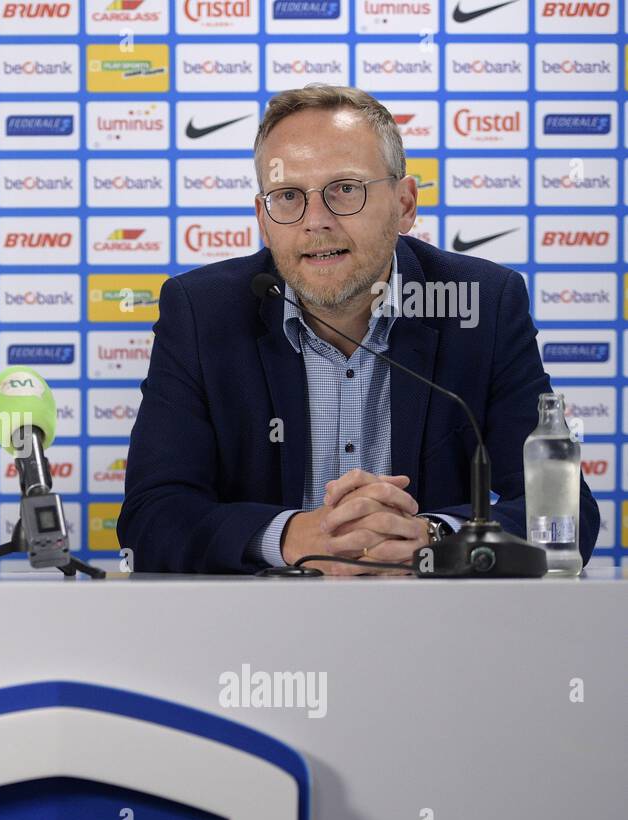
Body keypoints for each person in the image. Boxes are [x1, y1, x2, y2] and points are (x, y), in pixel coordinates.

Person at [118, 84, 598, 574]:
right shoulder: (201, 312)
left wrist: (434, 539)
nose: (316, 222)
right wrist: (290, 536)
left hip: (435, 630)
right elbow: (151, 517)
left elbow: (564, 514)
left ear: (405, 204)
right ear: (264, 221)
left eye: (345, 189)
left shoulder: (481, 305)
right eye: (288, 197)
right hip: (256, 627)